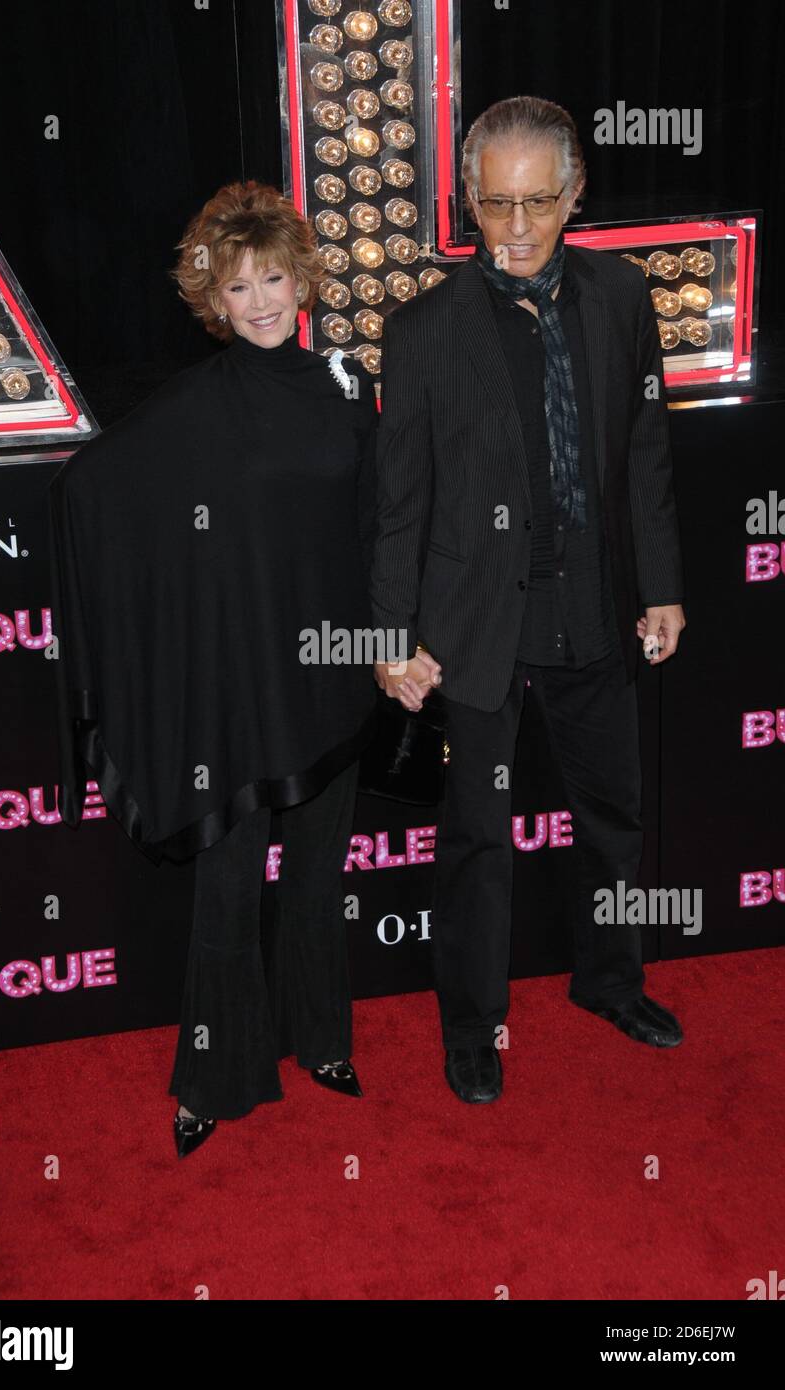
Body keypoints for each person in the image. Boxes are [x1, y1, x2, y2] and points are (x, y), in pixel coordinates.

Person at [48, 181, 379, 1156]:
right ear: (213, 299)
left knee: (319, 872)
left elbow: (376, 528)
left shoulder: (346, 387)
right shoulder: (191, 409)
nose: (264, 300)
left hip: (333, 673)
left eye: (275, 277)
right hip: (238, 692)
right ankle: (212, 1074)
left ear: (301, 279)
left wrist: (393, 643)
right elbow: (92, 491)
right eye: (240, 288)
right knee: (227, 885)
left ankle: (319, 1040)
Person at [370, 95, 687, 1105]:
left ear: (574, 194)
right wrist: (389, 633)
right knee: (474, 837)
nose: (513, 229)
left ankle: (607, 980)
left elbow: (643, 454)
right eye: (494, 203)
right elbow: (399, 501)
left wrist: (662, 585)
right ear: (466, 195)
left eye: (537, 203)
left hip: (593, 607)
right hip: (475, 627)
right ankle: (471, 1024)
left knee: (610, 817)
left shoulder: (622, 298)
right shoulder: (420, 331)